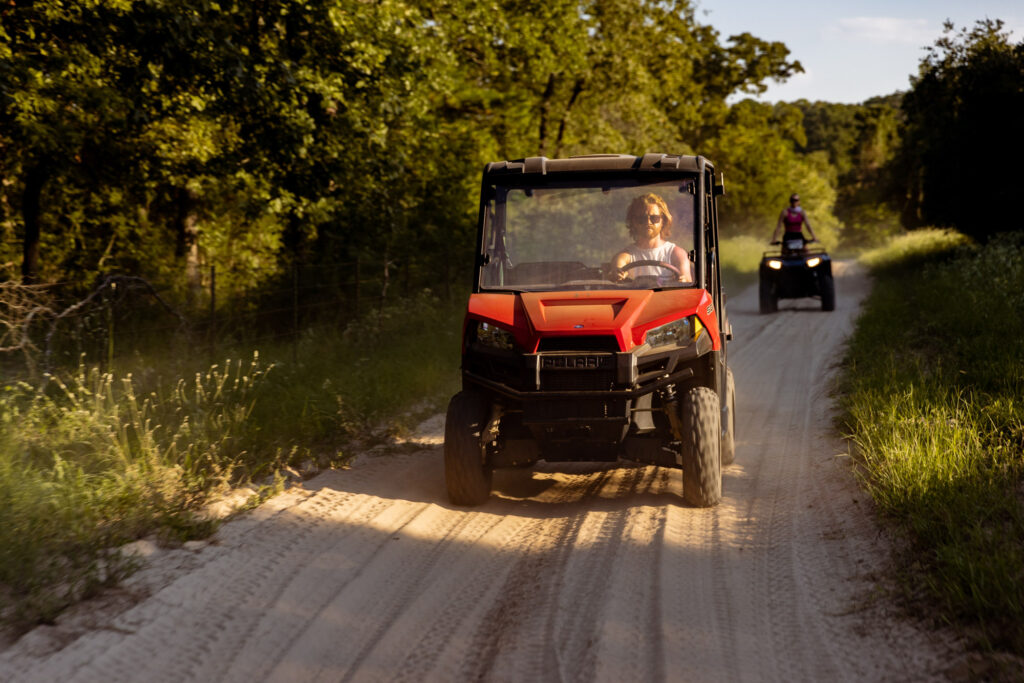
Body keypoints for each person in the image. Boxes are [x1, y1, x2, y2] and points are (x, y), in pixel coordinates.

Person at [612, 193, 692, 283]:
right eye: (641, 218)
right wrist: (618, 275)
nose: (648, 222)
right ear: (633, 222)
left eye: (654, 218)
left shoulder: (677, 254)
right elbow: (617, 274)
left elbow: (688, 288)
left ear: (663, 221)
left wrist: (683, 281)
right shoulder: (624, 257)